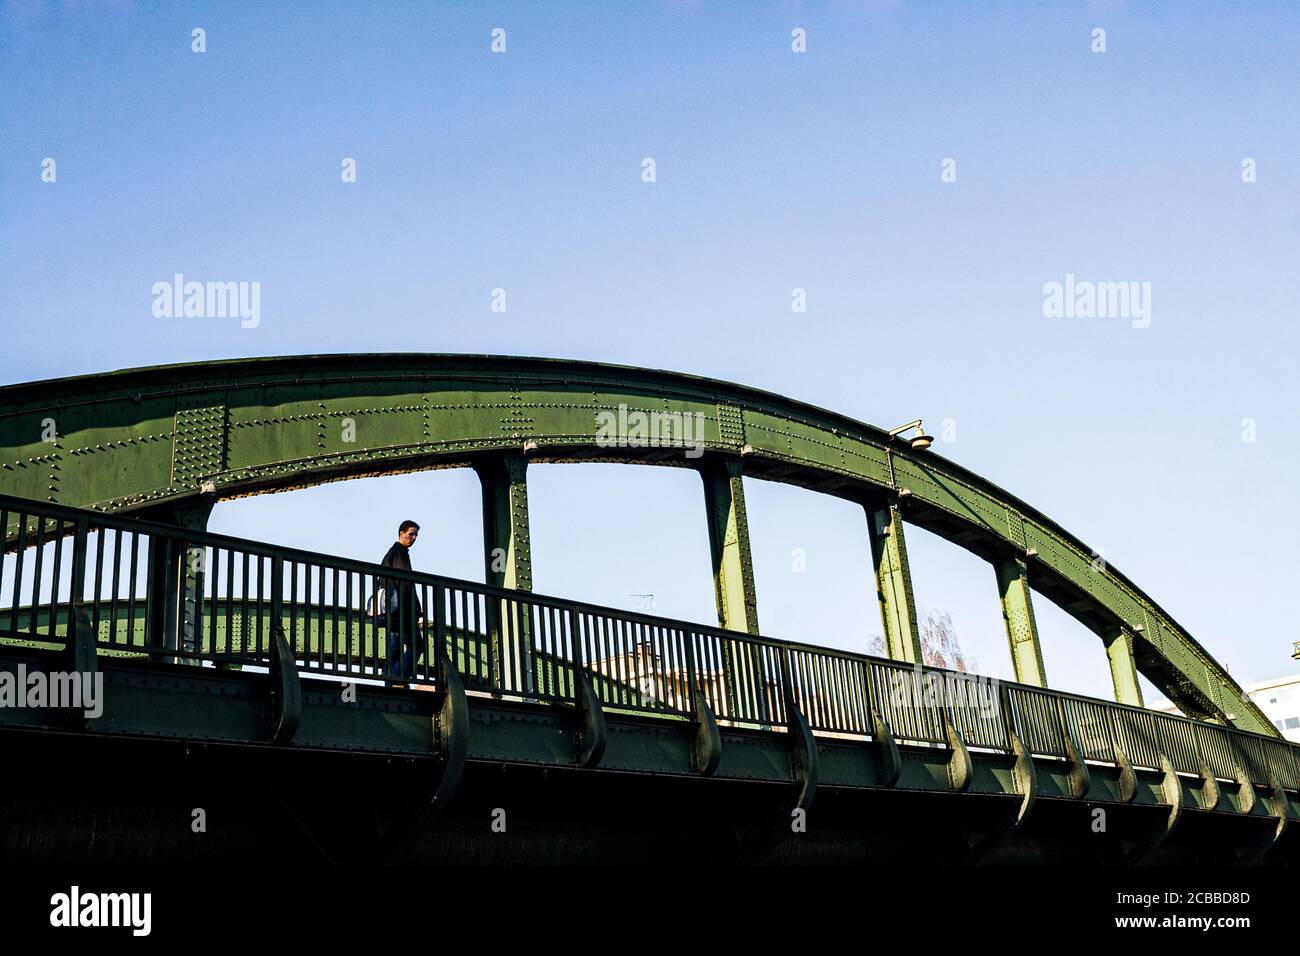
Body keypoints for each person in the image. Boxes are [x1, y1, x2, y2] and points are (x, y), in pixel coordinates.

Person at [379, 520, 425, 681]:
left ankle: (389, 682)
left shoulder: (391, 553)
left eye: (416, 535)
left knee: (394, 650)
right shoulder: (400, 552)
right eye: (411, 534)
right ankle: (397, 677)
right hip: (403, 611)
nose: (414, 538)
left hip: (393, 610)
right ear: (401, 533)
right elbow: (406, 583)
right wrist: (416, 610)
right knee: (417, 646)